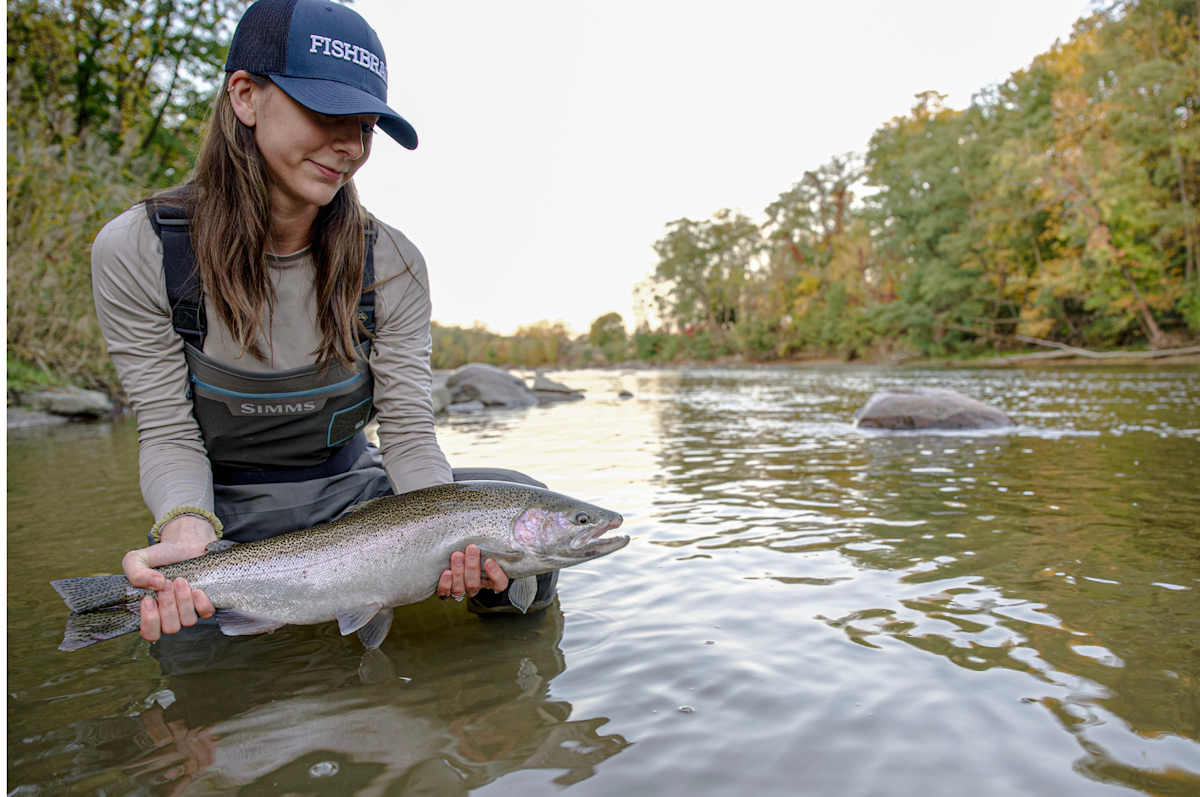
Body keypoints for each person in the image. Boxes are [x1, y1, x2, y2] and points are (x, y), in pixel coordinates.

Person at [90, 0, 554, 643]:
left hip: (355, 500)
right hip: (224, 517)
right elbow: (168, 431)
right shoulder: (139, 249)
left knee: (524, 529)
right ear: (245, 97)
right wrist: (186, 526)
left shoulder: (393, 262)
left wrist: (450, 536)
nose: (352, 147)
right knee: (194, 664)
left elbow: (409, 433)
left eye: (365, 126)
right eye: (326, 113)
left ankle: (497, 690)